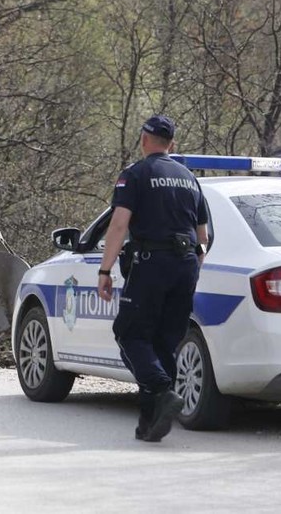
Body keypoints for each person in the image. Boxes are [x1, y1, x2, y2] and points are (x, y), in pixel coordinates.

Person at [96, 114, 210, 443]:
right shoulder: (190, 178)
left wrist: (105, 270)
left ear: (144, 139)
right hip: (187, 263)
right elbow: (203, 235)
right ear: (171, 144)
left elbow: (119, 225)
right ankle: (150, 424)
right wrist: (193, 266)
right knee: (164, 343)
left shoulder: (136, 174)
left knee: (129, 335)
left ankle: (162, 391)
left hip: (152, 262)